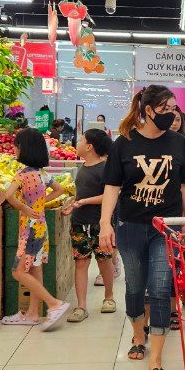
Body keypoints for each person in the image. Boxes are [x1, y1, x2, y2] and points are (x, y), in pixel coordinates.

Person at [99, 84, 185, 370]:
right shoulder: (123, 143)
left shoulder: (180, 143)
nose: (171, 114)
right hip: (130, 225)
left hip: (167, 226)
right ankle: (137, 334)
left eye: (174, 109)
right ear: (148, 110)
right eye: (165, 109)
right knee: (136, 285)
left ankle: (155, 358)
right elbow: (112, 187)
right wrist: (105, 224)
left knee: (161, 286)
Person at [2, 127, 72, 331]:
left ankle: (54, 304)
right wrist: (40, 203)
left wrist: (24, 207)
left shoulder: (22, 174)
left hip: (29, 229)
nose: (14, 149)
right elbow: (60, 190)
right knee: (35, 269)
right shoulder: (42, 174)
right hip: (41, 227)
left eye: (16, 145)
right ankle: (32, 313)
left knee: (17, 272)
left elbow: (8, 196)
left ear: (23, 148)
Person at [62, 128, 117, 321]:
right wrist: (73, 204)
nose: (77, 144)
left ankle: (109, 297)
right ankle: (81, 306)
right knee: (81, 262)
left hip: (99, 224)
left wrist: (84, 202)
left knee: (104, 260)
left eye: (81, 140)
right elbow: (80, 195)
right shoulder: (82, 169)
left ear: (89, 146)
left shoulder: (105, 169)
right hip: (79, 223)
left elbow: (109, 196)